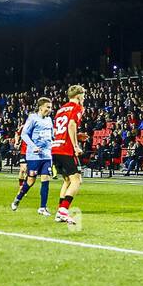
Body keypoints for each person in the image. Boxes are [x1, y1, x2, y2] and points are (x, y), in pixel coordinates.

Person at [11, 97, 54, 215]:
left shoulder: (49, 120)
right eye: (48, 107)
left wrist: (53, 144)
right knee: (31, 181)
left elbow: (52, 135)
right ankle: (18, 199)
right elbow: (24, 134)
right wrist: (33, 146)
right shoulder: (32, 118)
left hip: (46, 155)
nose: (50, 110)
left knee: (45, 179)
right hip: (34, 156)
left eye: (50, 107)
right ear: (41, 107)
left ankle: (42, 207)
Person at [50, 84, 86, 224]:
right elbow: (71, 125)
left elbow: (60, 129)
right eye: (83, 95)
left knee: (67, 181)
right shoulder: (77, 107)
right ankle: (63, 211)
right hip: (66, 149)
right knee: (77, 181)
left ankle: (60, 212)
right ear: (78, 96)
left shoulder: (61, 109)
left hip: (56, 147)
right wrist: (76, 145)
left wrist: (77, 135)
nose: (84, 98)